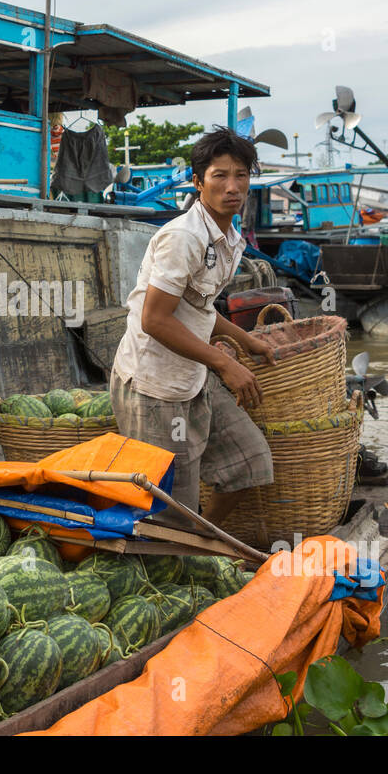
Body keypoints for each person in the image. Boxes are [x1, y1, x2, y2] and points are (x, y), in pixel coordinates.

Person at [109, 126, 276, 524]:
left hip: (192, 376)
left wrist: (244, 341)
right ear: (199, 182)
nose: (232, 186)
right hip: (155, 388)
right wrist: (225, 364)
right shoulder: (184, 237)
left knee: (251, 464)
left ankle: (202, 544)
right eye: (220, 176)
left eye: (241, 175)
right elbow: (154, 319)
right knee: (171, 509)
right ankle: (174, 563)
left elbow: (200, 308)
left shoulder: (228, 237)